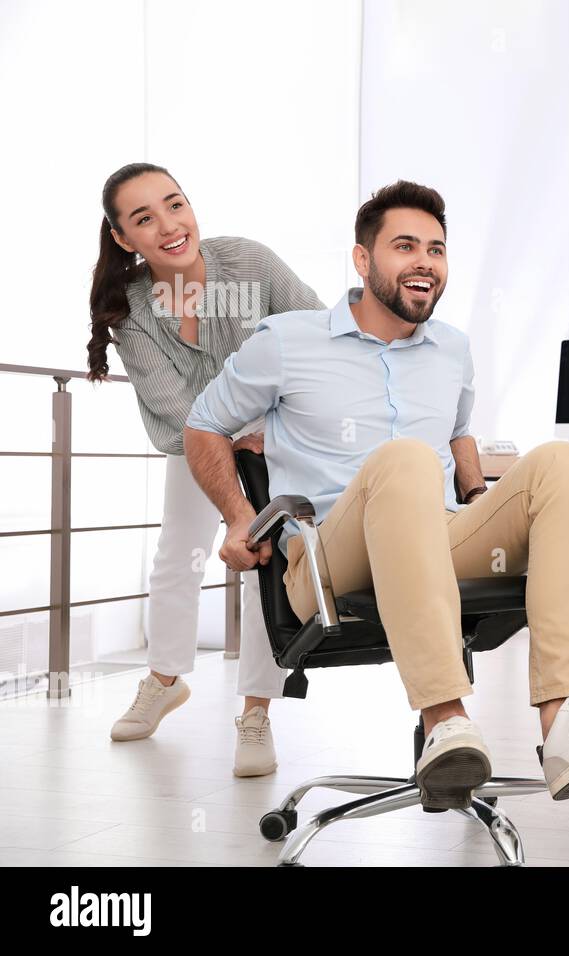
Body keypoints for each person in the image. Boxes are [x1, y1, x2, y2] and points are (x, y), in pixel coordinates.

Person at [183, 180, 569, 808]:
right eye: (405, 246)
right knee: (406, 461)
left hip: (435, 534)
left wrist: (475, 493)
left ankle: (566, 724)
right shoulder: (286, 341)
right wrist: (236, 518)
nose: (425, 262)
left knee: (562, 463)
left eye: (436, 250)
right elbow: (203, 424)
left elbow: (460, 431)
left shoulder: (453, 349)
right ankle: (447, 721)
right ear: (362, 261)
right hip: (326, 559)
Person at [88, 162, 323, 775]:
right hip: (196, 444)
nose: (169, 225)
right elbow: (175, 409)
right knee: (177, 558)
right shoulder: (129, 310)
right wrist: (231, 444)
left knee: (263, 563)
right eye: (144, 218)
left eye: (175, 204)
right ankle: (164, 680)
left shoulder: (250, 263)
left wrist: (271, 424)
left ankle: (256, 712)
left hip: (277, 441)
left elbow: (321, 334)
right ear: (123, 238)